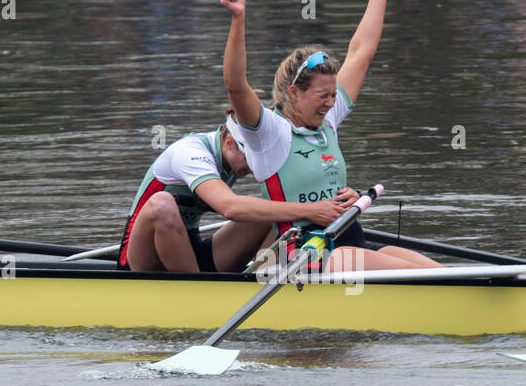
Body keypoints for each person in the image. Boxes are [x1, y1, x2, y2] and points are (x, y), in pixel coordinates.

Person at [219, 0, 441, 272]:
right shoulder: (268, 133)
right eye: (322, 96)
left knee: (438, 271)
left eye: (333, 94)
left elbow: (361, 51)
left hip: (350, 240)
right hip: (303, 256)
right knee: (352, 261)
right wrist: (238, 18)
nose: (330, 103)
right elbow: (236, 85)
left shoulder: (328, 119)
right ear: (294, 93)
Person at [118, 116, 351, 272]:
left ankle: (264, 280)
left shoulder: (232, 155)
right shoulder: (189, 152)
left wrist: (341, 198)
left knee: (274, 209)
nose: (254, 168)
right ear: (230, 142)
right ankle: (198, 293)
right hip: (139, 259)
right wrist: (312, 210)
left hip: (188, 253)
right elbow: (229, 207)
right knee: (162, 204)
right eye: (251, 159)